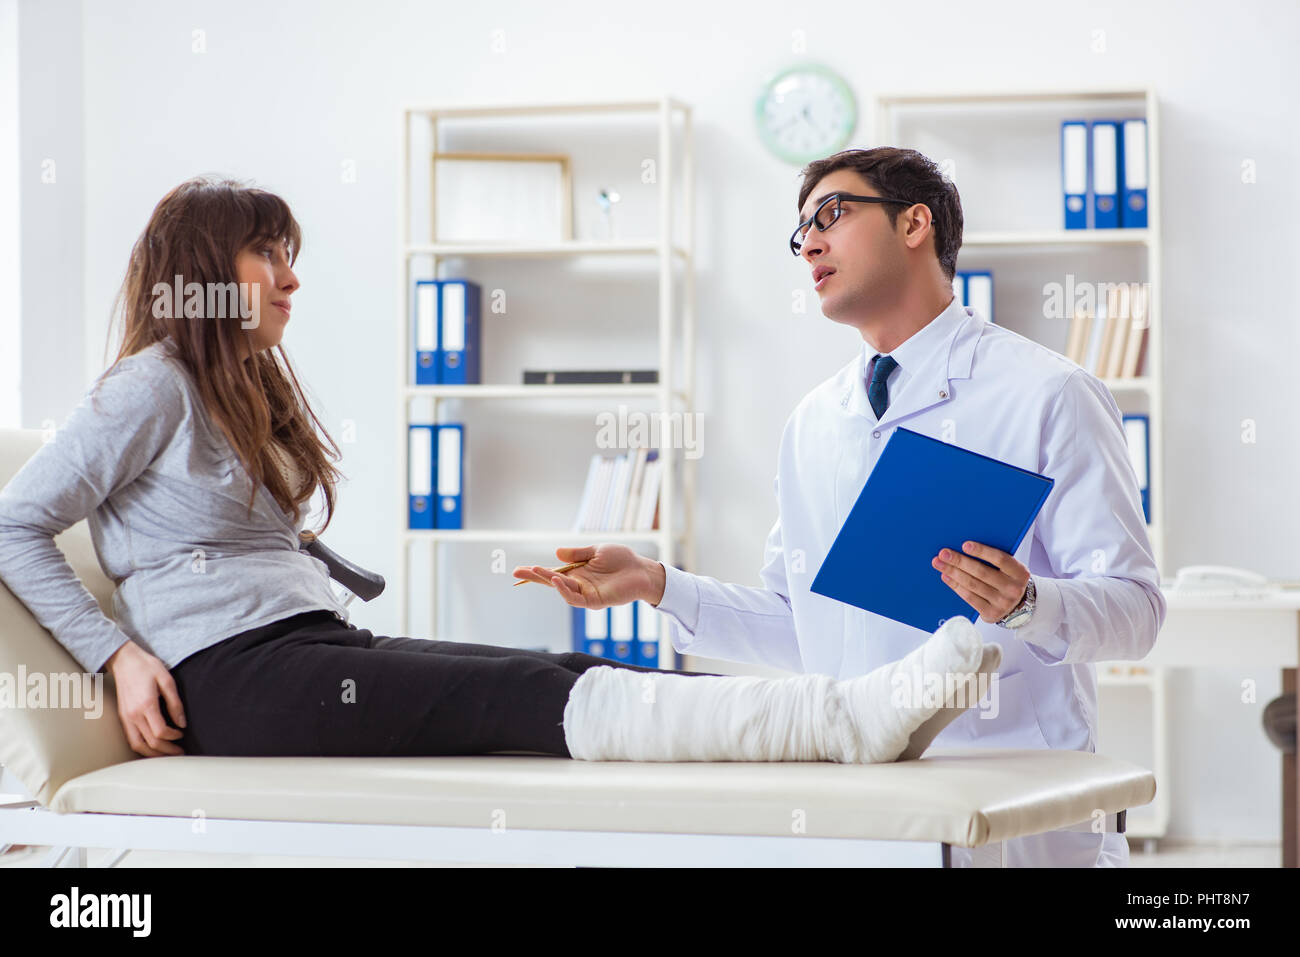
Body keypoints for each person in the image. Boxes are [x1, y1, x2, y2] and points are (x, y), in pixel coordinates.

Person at [0, 176, 997, 775]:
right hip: (231, 681)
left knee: (555, 671)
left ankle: (841, 717)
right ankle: (843, 724)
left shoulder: (237, 387)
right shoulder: (149, 385)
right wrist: (115, 657)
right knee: (522, 694)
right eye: (270, 255)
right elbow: (12, 525)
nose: (293, 278)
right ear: (208, 269)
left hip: (299, 646)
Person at [514, 147, 1166, 867]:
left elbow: (1137, 612)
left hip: (1011, 808)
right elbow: (807, 628)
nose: (811, 243)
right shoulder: (816, 421)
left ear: (915, 223)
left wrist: (1026, 602)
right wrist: (657, 584)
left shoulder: (1048, 393)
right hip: (862, 812)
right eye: (802, 232)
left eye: (834, 214)